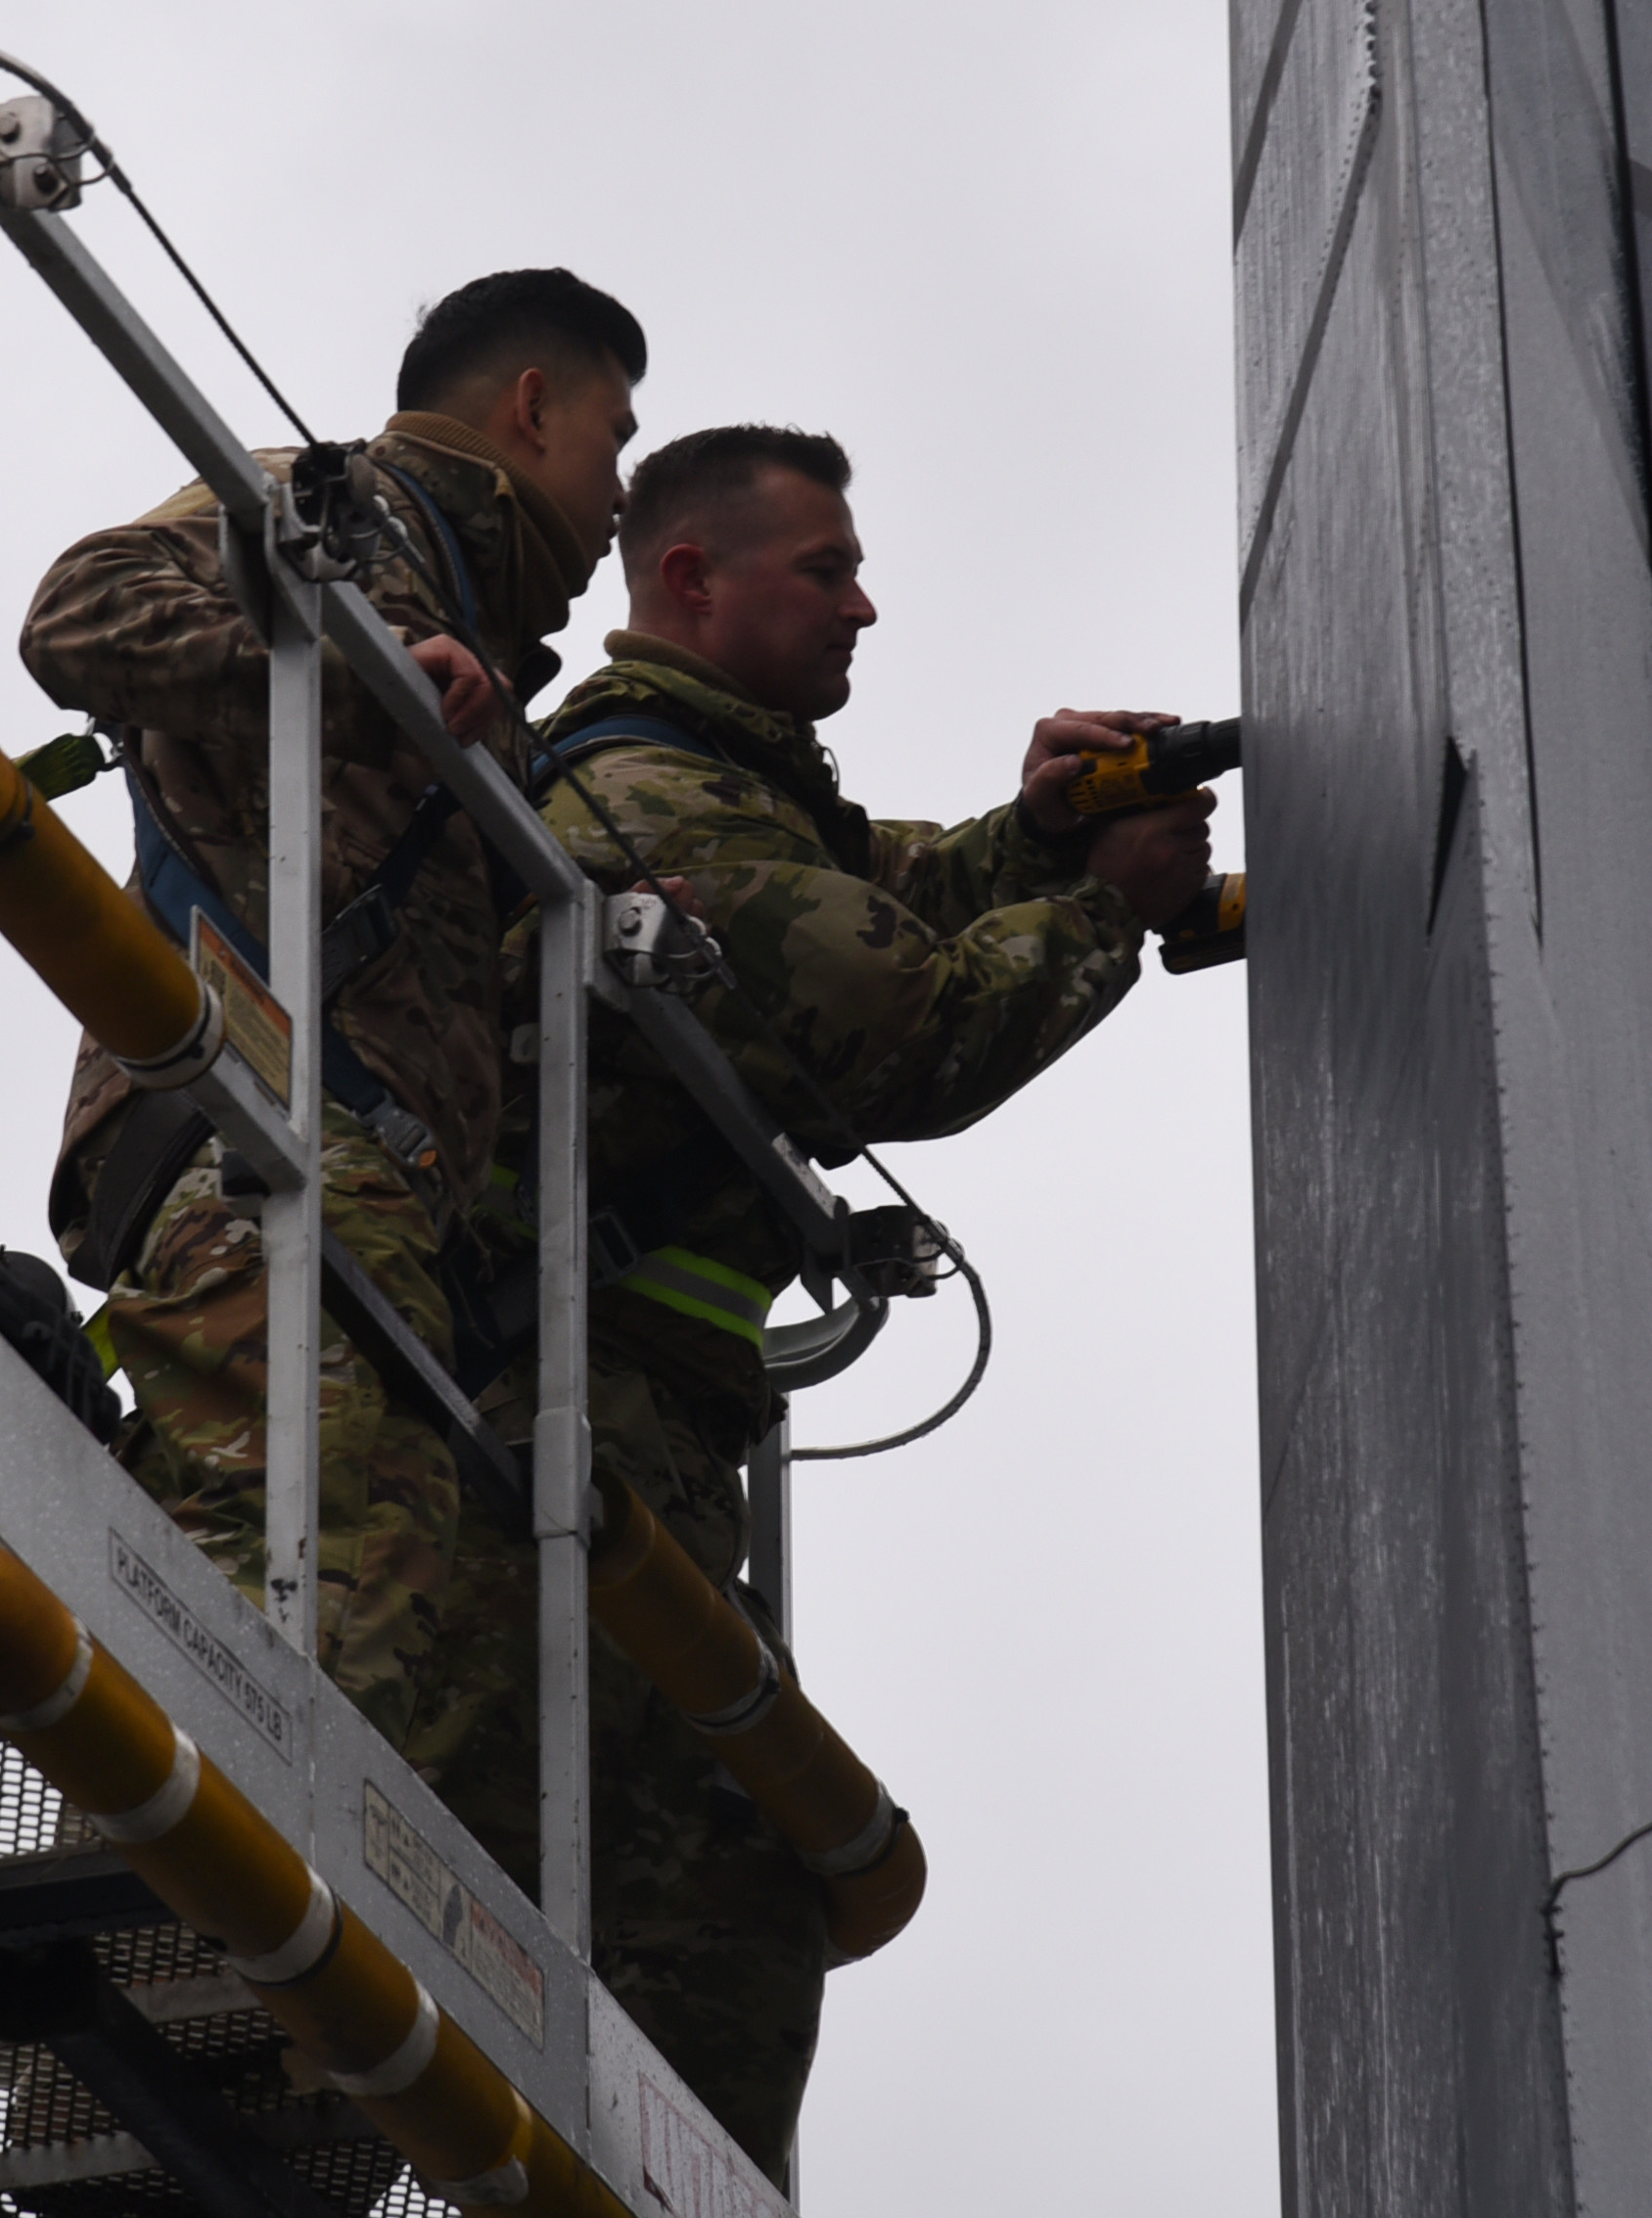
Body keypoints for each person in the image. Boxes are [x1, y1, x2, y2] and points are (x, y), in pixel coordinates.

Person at [429, 421, 1216, 2165]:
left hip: (635, 1443)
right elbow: (903, 1029)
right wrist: (1099, 913)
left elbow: (874, 897)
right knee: (390, 1866)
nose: (869, 605)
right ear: (692, 580)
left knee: (733, 1890)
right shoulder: (643, 798)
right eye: (829, 570)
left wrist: (1029, 839)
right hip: (536, 1428)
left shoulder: (734, 793)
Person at [23, 267, 645, 1757]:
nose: (620, 498)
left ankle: (220, 1951)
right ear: (533, 408)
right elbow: (79, 614)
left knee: (362, 1601)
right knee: (302, 1593)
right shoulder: (322, 517)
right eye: (615, 443)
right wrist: (345, 678)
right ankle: (185, 1958)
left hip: (362, 1181)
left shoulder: (469, 635)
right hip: (256, 1130)